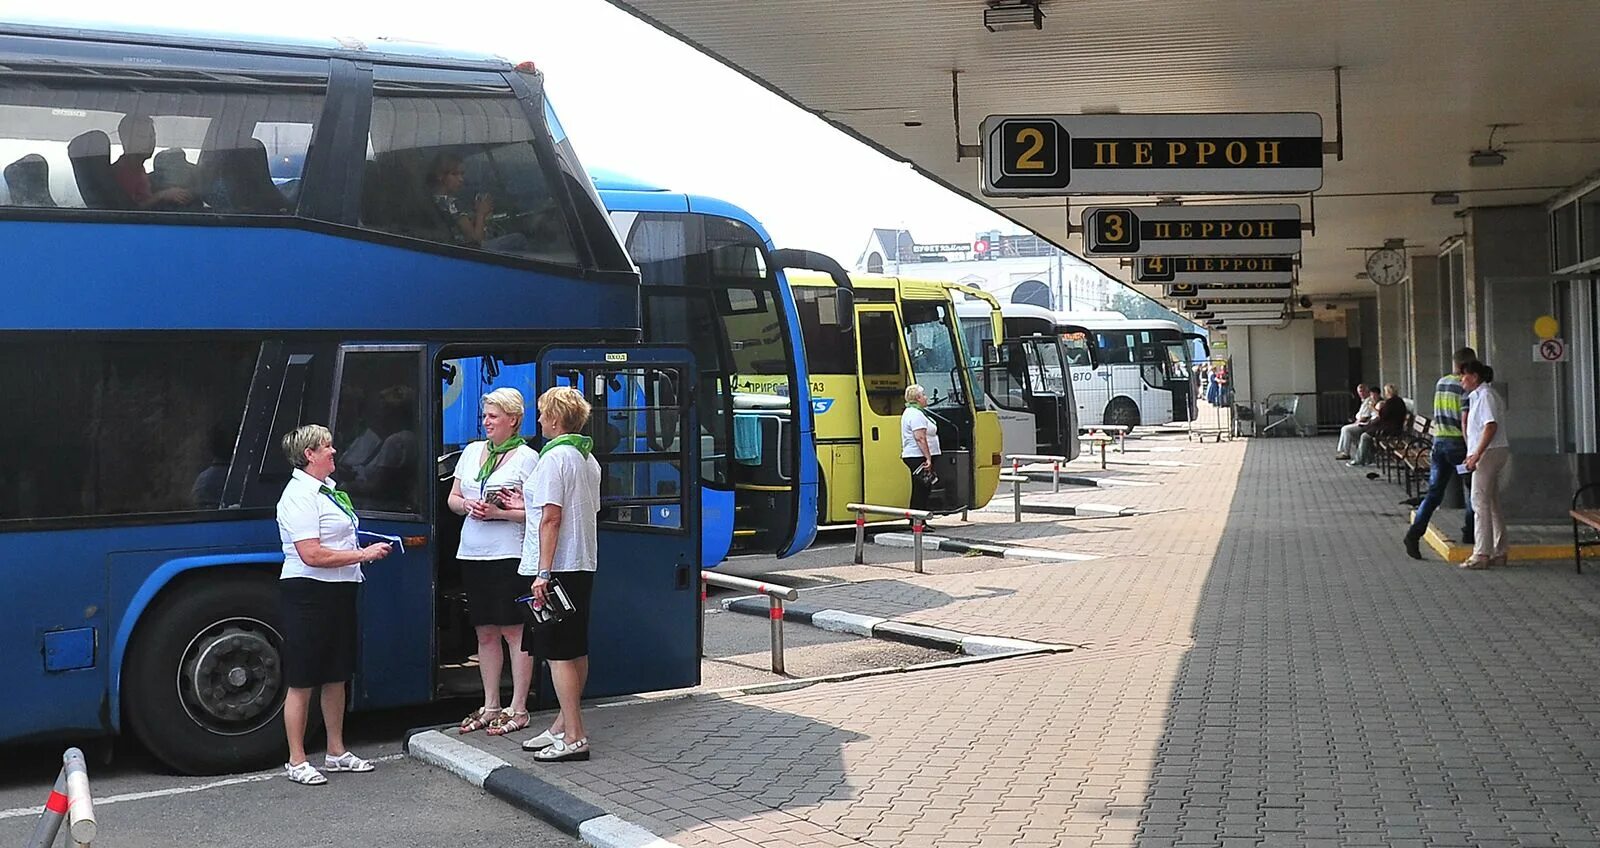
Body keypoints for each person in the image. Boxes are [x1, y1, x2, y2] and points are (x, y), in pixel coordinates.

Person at [274, 424, 392, 786]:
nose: (334, 451)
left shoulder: (328, 492)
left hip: (340, 588)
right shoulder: (298, 495)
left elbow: (336, 538)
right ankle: (296, 759)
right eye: (327, 446)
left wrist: (359, 551)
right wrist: (363, 554)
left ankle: (337, 751)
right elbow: (309, 553)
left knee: (337, 674)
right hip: (308, 592)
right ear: (309, 455)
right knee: (303, 677)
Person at [519, 386, 602, 762]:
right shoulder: (588, 459)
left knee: (557, 655)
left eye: (541, 414)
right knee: (575, 648)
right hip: (582, 562)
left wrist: (543, 572)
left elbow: (551, 517)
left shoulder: (554, 459)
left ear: (555, 418)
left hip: (557, 566)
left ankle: (575, 736)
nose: (538, 420)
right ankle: (561, 725)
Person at [449, 388, 539, 735]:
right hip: (472, 551)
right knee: (485, 632)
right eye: (485, 415)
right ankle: (490, 704)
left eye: (493, 416)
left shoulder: (527, 458)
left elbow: (535, 512)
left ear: (513, 420)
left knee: (514, 631)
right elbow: (453, 499)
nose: (486, 422)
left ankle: (518, 706)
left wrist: (501, 513)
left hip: (508, 554)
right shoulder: (472, 452)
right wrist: (468, 506)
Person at [1404, 348, 1478, 559]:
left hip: (1439, 444)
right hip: (1459, 445)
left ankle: (1414, 533)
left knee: (1434, 493)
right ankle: (1470, 531)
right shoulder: (1466, 388)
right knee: (1472, 490)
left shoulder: (1441, 382)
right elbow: (1466, 420)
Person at [1460, 362, 1509, 569]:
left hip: (1489, 452)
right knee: (1492, 503)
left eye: (1464, 375)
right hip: (1490, 451)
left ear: (1475, 376)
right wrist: (1471, 453)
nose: (1461, 379)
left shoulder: (1485, 396)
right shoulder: (1480, 396)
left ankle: (1481, 553)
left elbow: (1490, 426)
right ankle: (1500, 550)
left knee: (1479, 501)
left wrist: (1476, 455)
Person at [110, 114, 194, 209]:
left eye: (152, 136)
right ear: (126, 140)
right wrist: (163, 195)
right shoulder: (123, 173)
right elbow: (130, 210)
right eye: (142, 136)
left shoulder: (138, 168)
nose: (150, 142)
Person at [900, 384, 941, 517]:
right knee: (921, 490)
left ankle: (917, 521)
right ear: (917, 397)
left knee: (921, 488)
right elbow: (920, 438)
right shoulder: (915, 414)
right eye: (923, 395)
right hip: (918, 456)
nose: (926, 397)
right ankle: (918, 521)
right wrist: (928, 458)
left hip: (917, 456)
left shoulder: (913, 412)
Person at [1349, 383, 1407, 467]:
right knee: (1366, 432)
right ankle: (1368, 458)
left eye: (1386, 391)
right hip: (1392, 426)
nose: (1385, 394)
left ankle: (1360, 459)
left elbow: (1382, 415)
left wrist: (1373, 408)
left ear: (1389, 392)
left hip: (1390, 428)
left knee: (1365, 436)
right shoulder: (1398, 401)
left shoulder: (1391, 402)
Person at [1335, 384, 1377, 460]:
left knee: (1346, 429)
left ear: (1367, 391)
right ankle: (1344, 451)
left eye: (1362, 391)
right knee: (1346, 429)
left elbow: (1365, 417)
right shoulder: (1364, 401)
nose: (1361, 393)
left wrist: (1357, 422)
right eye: (1359, 392)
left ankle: (1345, 452)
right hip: (1360, 422)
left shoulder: (1369, 401)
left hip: (1364, 425)